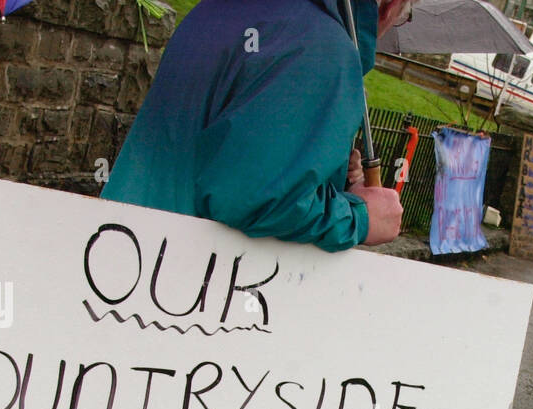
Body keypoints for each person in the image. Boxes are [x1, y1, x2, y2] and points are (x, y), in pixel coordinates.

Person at [101, 0, 410, 251]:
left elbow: (215, 142)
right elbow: (254, 198)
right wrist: (360, 217)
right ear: (388, 6)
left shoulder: (221, 9)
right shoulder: (322, 45)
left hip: (118, 243)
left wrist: (335, 181)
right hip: (182, 281)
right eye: (402, 16)